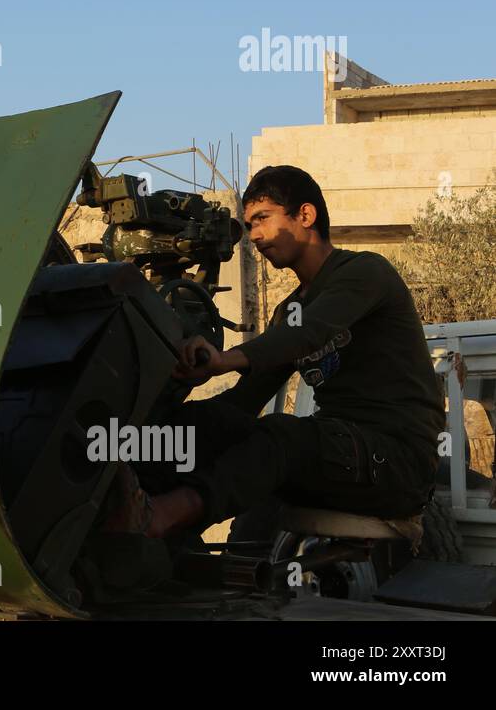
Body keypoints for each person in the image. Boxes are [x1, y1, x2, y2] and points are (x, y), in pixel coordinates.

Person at [102, 165, 445, 538]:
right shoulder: (290, 310)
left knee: (281, 435)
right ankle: (128, 517)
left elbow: (310, 334)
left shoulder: (365, 272)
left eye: (262, 219)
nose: (255, 236)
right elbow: (244, 401)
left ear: (305, 215)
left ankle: (159, 517)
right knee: (210, 423)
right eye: (249, 225)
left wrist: (223, 360)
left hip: (397, 462)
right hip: (339, 452)